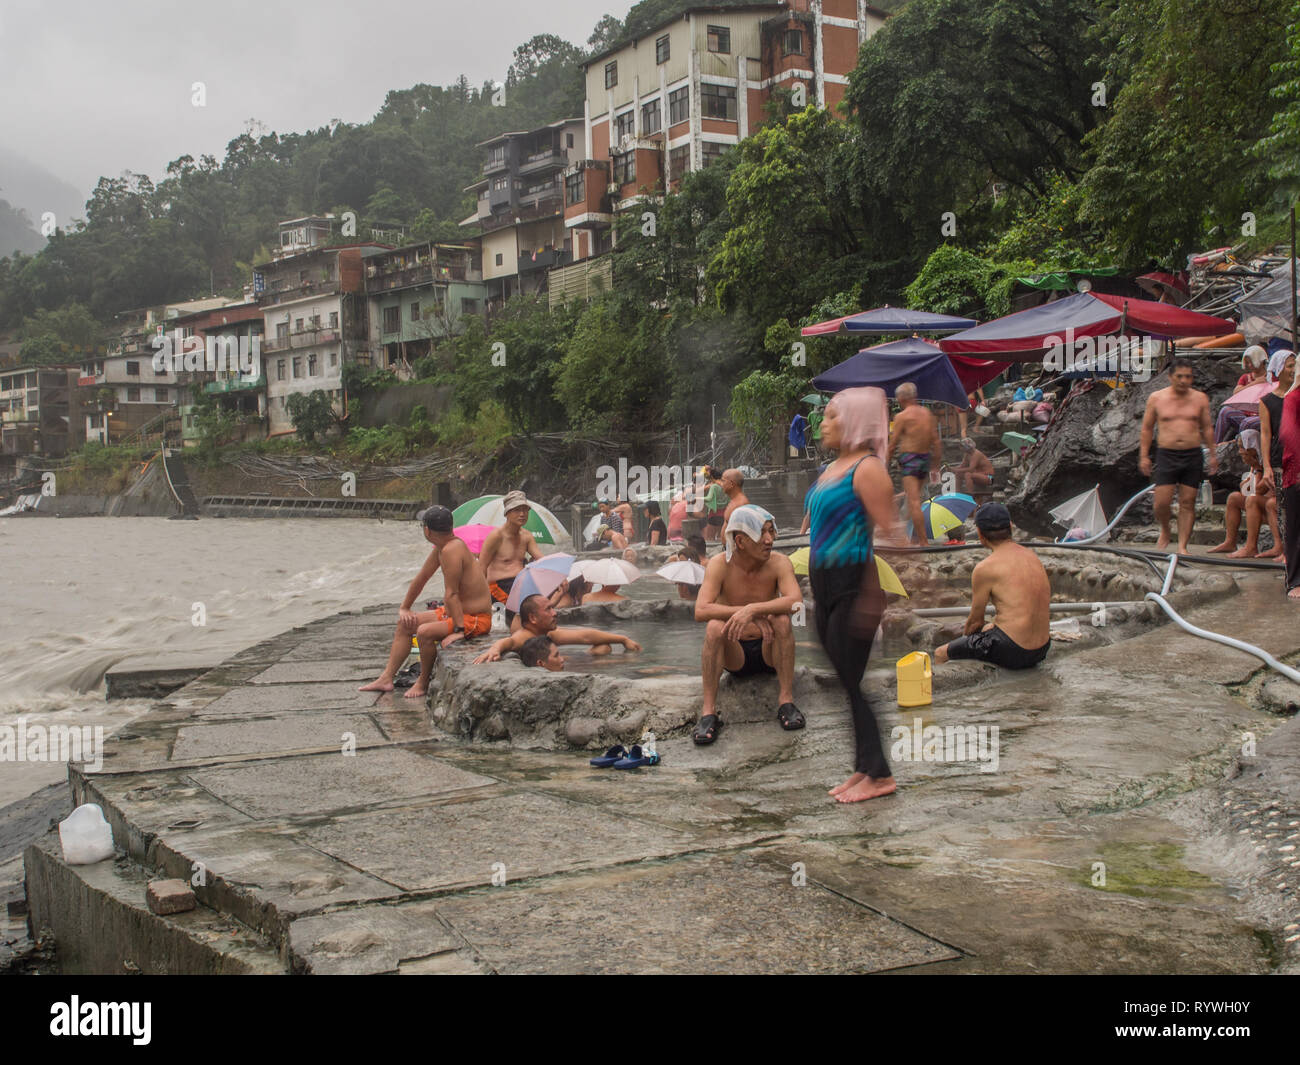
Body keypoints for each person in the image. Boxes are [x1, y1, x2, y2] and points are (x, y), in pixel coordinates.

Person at [807, 387, 901, 804]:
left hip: (853, 583)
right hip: (823, 585)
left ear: (855, 422)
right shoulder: (832, 468)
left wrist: (870, 597)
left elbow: (892, 535)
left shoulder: (867, 469)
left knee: (851, 681)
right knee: (848, 682)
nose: (822, 423)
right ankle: (864, 767)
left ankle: (880, 775)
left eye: (830, 416)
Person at [693, 504, 804, 745]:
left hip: (769, 650)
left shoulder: (779, 562)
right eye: (761, 533)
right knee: (713, 627)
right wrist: (743, 614)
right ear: (741, 541)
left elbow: (796, 602)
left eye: (770, 532)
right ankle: (709, 713)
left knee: (782, 620)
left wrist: (754, 609)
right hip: (735, 653)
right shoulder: (719, 564)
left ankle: (786, 701)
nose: (769, 540)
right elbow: (701, 610)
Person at [360, 506, 495, 698]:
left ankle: (422, 683)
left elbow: (452, 594)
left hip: (474, 618)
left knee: (424, 632)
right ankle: (386, 678)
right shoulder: (442, 547)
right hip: (455, 613)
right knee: (406, 624)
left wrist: (459, 631)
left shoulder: (452, 549)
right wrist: (405, 607)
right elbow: (422, 578)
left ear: (427, 530)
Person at [934, 503, 1051, 670]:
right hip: (1042, 648)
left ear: (980, 534)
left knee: (940, 652)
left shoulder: (985, 568)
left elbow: (975, 622)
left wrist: (965, 641)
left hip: (1015, 650)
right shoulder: (1032, 556)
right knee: (989, 627)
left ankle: (942, 691)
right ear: (1010, 527)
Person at [1139, 358, 1218, 553]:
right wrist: (1144, 456)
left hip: (1192, 453)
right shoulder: (1157, 398)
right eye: (1179, 376)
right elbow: (1147, 429)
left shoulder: (1200, 398)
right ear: (1170, 377)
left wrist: (1213, 454)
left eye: (1188, 377)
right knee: (1161, 503)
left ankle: (1182, 545)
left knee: (1188, 501)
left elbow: (1207, 427)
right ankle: (1165, 529)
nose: (1184, 380)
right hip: (1166, 453)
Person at [473, 594, 642, 663]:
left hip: (556, 663)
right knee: (602, 651)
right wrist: (494, 649)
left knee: (604, 647)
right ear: (532, 618)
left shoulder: (547, 634)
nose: (555, 613)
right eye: (548, 609)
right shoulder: (525, 636)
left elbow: (585, 637)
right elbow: (508, 642)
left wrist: (623, 639)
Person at [1208, 431, 1281, 559]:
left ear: (1252, 447)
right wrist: (1254, 469)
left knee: (1252, 500)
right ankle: (1230, 542)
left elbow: (1258, 490)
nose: (1239, 452)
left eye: (1242, 447)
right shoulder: (1255, 464)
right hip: (1262, 508)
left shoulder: (1267, 463)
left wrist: (1258, 469)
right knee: (1234, 498)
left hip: (1276, 507)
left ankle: (1251, 547)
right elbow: (1244, 490)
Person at [887, 382, 940, 545]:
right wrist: (935, 466)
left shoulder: (902, 417)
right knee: (915, 499)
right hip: (925, 458)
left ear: (900, 399)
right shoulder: (927, 414)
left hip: (910, 460)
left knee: (914, 501)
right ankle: (905, 535)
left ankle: (923, 541)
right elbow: (937, 442)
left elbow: (892, 444)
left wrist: (884, 465)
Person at [479, 490, 539, 626]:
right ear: (507, 513)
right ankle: (417, 645)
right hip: (498, 586)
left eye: (525, 510)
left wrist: (560, 579)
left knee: (539, 609)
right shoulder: (496, 536)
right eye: (517, 510)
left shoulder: (527, 536)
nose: (522, 514)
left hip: (520, 584)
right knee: (521, 615)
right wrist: (482, 598)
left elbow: (541, 559)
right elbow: (481, 567)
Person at [1274, 374, 1300, 599]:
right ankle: (1295, 580)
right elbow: (1288, 433)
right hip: (1297, 471)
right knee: (1296, 529)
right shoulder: (1293, 398)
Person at [696, 467, 727, 543]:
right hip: (724, 514)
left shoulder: (714, 486)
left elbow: (709, 498)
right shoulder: (725, 486)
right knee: (721, 537)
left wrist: (698, 498)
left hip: (714, 514)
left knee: (710, 539)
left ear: (712, 477)